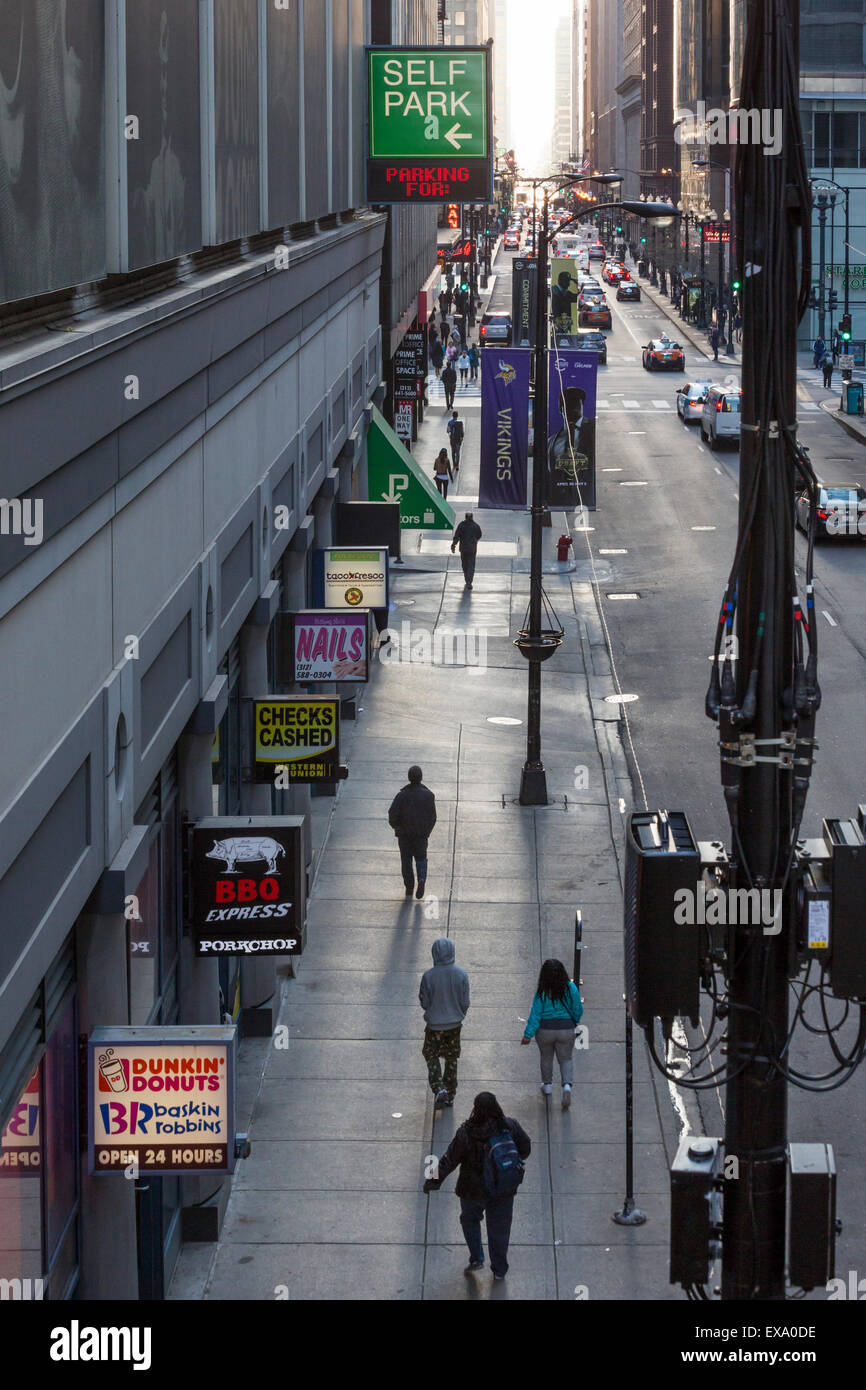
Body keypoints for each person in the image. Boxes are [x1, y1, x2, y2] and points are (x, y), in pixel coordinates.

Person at [423, 1091, 531, 1280]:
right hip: (502, 1190)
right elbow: (525, 1148)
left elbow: (449, 1160)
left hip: (472, 1189)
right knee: (499, 1230)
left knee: (470, 1220)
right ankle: (499, 1269)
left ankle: (477, 1257)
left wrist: (432, 1181)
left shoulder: (466, 1132)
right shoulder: (509, 1126)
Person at [521, 959, 584, 1109]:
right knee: (566, 1059)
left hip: (545, 1030)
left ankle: (547, 1085)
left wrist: (528, 1034)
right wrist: (573, 1021)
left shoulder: (542, 991)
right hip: (566, 1029)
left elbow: (535, 1014)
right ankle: (567, 1086)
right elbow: (578, 1009)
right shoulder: (571, 988)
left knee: (546, 1058)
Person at [419, 938, 470, 1108]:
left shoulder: (428, 976)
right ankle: (450, 1092)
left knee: (430, 1053)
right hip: (454, 1024)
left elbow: (424, 1001)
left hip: (434, 1025)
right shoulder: (461, 974)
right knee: (452, 1057)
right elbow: (465, 1001)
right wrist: (459, 1013)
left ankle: (438, 1087)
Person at [388, 764, 437, 899]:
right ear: (421, 777)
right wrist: (426, 832)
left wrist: (397, 828)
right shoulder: (429, 796)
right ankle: (421, 879)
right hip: (421, 835)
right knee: (421, 858)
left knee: (406, 861)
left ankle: (409, 886)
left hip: (404, 836)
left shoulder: (401, 796)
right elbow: (433, 817)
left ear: (409, 777)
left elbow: (392, 814)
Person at [451, 511, 482, 589]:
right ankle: (469, 582)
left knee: (464, 565)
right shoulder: (476, 526)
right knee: (471, 565)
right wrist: (475, 541)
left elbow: (457, 536)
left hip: (463, 549)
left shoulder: (461, 525)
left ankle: (467, 579)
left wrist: (454, 545)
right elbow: (479, 535)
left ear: (465, 517)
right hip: (472, 549)